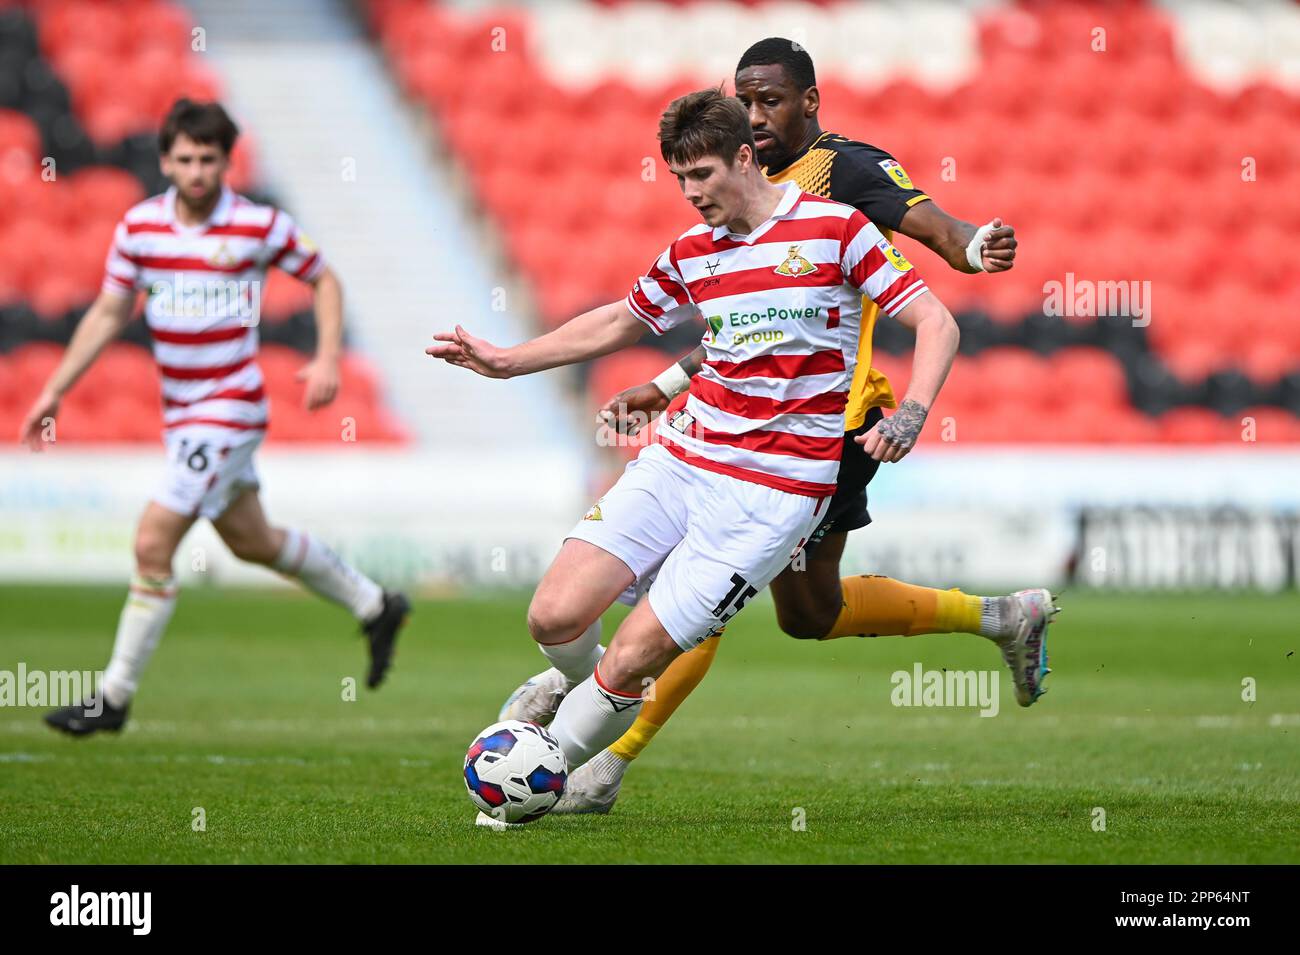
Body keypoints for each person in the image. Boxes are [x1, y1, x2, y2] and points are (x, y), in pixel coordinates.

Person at [507, 38, 1056, 815]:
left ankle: (603, 760)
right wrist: (667, 384)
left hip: (834, 431)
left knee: (701, 602)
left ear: (809, 102)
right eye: (746, 101)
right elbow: (747, 327)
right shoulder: (734, 203)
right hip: (739, 432)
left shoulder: (842, 173)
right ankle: (1000, 614)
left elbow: (937, 234)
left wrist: (972, 243)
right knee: (805, 614)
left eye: (770, 101)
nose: (757, 115)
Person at [427, 85, 961, 828]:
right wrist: (509, 360)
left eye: (702, 174)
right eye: (679, 178)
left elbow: (935, 321)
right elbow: (621, 319)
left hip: (773, 495)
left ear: (744, 157)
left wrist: (912, 412)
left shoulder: (837, 230)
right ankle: (572, 694)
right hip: (682, 459)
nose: (690, 193)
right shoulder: (693, 252)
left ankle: (536, 781)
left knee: (632, 660)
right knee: (552, 617)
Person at [20, 99, 410, 736]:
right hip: (182, 414)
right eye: (185, 159)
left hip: (229, 410)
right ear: (165, 162)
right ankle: (376, 604)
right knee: (253, 541)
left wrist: (327, 358)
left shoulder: (257, 225)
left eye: (208, 159)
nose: (197, 171)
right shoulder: (140, 228)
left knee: (152, 542)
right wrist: (55, 389)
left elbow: (325, 279)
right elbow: (110, 311)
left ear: (227, 162)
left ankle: (113, 697)